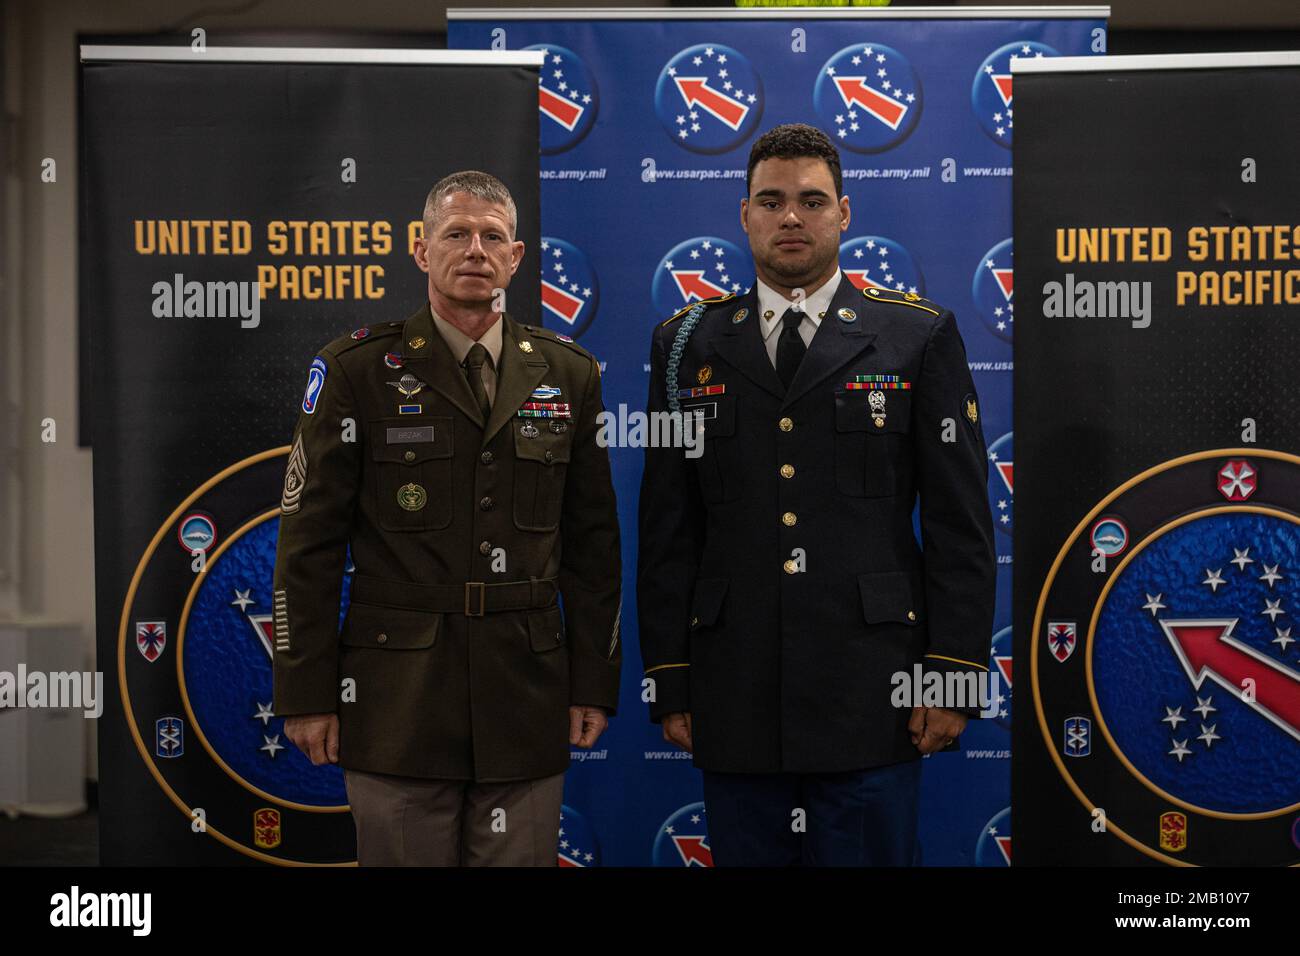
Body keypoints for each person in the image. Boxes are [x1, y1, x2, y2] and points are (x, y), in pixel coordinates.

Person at [637, 124, 996, 866]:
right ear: (745, 217)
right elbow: (669, 525)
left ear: (844, 213)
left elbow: (961, 525)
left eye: (811, 200)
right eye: (770, 201)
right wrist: (671, 679)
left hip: (876, 687)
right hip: (734, 686)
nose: (791, 217)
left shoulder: (915, 336)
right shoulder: (685, 343)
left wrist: (952, 672)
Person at [271, 170, 621, 866]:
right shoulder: (356, 370)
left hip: (525, 694)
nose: (475, 250)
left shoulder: (569, 373)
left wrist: (593, 682)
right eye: (455, 233)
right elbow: (307, 547)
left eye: (493, 236)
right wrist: (306, 692)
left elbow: (593, 547)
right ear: (421, 250)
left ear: (516, 257)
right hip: (398, 703)